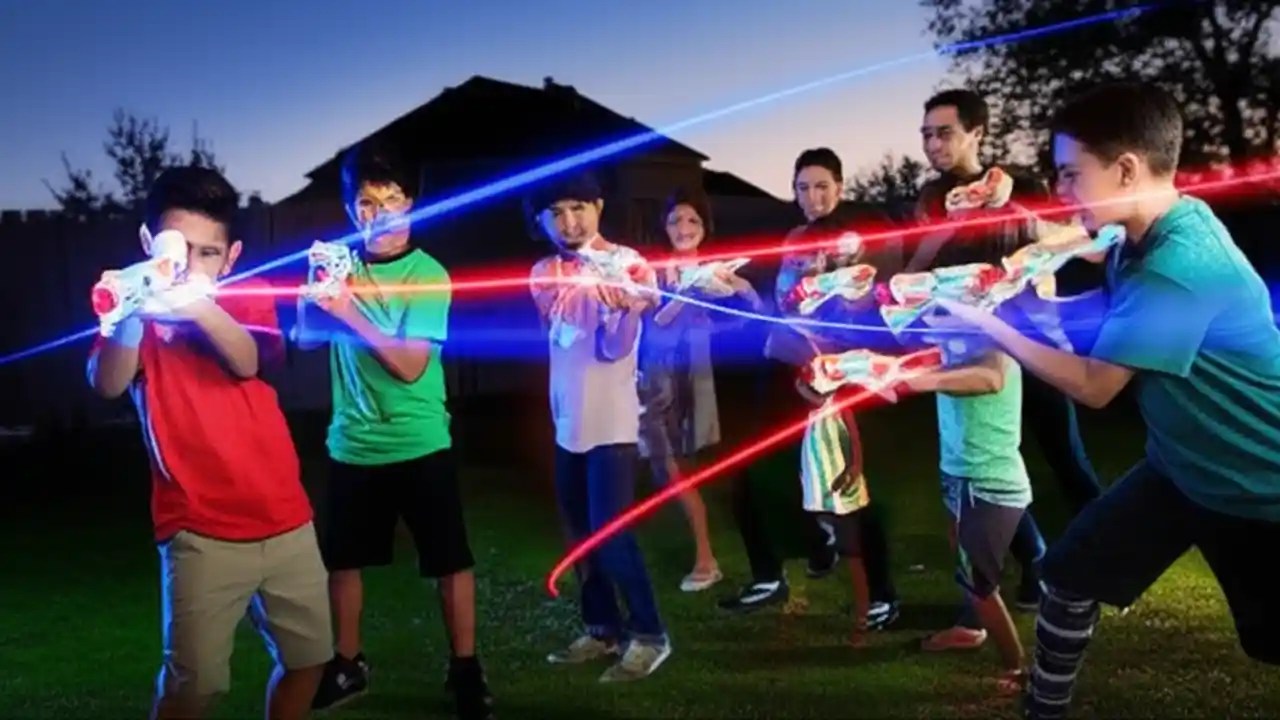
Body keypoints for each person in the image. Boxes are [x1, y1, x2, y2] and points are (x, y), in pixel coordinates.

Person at [937, 81, 1280, 720]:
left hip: (1258, 487)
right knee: (1068, 575)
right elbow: (1105, 311)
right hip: (1180, 470)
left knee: (1270, 641)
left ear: (1125, 169)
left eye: (1071, 175)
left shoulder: (1179, 266)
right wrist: (1022, 302)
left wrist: (994, 328)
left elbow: (1095, 387)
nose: (1063, 192)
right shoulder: (1144, 234)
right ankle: (1044, 709)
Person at [87, 166, 332, 720]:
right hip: (199, 530)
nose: (191, 264)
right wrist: (126, 315)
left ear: (231, 256)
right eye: (179, 249)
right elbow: (107, 383)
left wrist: (194, 302)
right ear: (150, 244)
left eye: (207, 253)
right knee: (193, 688)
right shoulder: (139, 316)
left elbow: (248, 360)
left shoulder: (246, 297)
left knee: (309, 659)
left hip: (285, 517)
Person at [296, 142, 492, 719]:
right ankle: (348, 663)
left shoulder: (427, 274)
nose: (378, 213)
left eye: (392, 199)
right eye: (366, 201)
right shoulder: (340, 264)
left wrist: (350, 310)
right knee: (344, 562)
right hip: (352, 442)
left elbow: (410, 366)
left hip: (418, 440)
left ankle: (465, 670)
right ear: (352, 208)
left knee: (449, 561)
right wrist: (318, 291)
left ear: (412, 205)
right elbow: (306, 337)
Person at [912, 88, 1095, 619]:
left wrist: (1011, 207)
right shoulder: (929, 198)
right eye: (926, 134)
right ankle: (1035, 563)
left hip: (1031, 345)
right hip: (967, 350)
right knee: (987, 469)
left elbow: (1078, 239)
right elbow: (914, 269)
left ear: (977, 134)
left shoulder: (1022, 185)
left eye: (944, 132)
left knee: (1065, 458)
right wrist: (944, 225)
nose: (933, 144)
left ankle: (1105, 565)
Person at [718, 147, 901, 631]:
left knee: (848, 484)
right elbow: (782, 304)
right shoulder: (793, 237)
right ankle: (772, 571)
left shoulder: (854, 240)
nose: (812, 196)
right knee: (751, 472)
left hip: (830, 374)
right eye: (803, 187)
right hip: (780, 365)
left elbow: (866, 306)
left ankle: (882, 593)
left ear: (839, 187)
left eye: (822, 186)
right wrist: (742, 294)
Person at [527, 170, 673, 682]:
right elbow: (560, 328)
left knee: (610, 534)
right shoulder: (544, 271)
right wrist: (592, 292)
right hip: (567, 419)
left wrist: (624, 308)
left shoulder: (631, 264)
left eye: (578, 208)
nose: (569, 221)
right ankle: (601, 627)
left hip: (610, 422)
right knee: (579, 533)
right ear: (542, 220)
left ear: (598, 207)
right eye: (556, 212)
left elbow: (614, 348)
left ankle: (650, 635)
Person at [638, 188, 762, 592]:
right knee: (666, 467)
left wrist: (740, 287)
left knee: (690, 466)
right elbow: (655, 325)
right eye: (675, 221)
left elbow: (753, 316)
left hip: (699, 377)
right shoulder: (654, 271)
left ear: (705, 227)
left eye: (693, 221)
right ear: (664, 226)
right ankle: (707, 555)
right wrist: (688, 292)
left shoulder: (717, 274)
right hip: (657, 378)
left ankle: (707, 560)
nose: (684, 228)